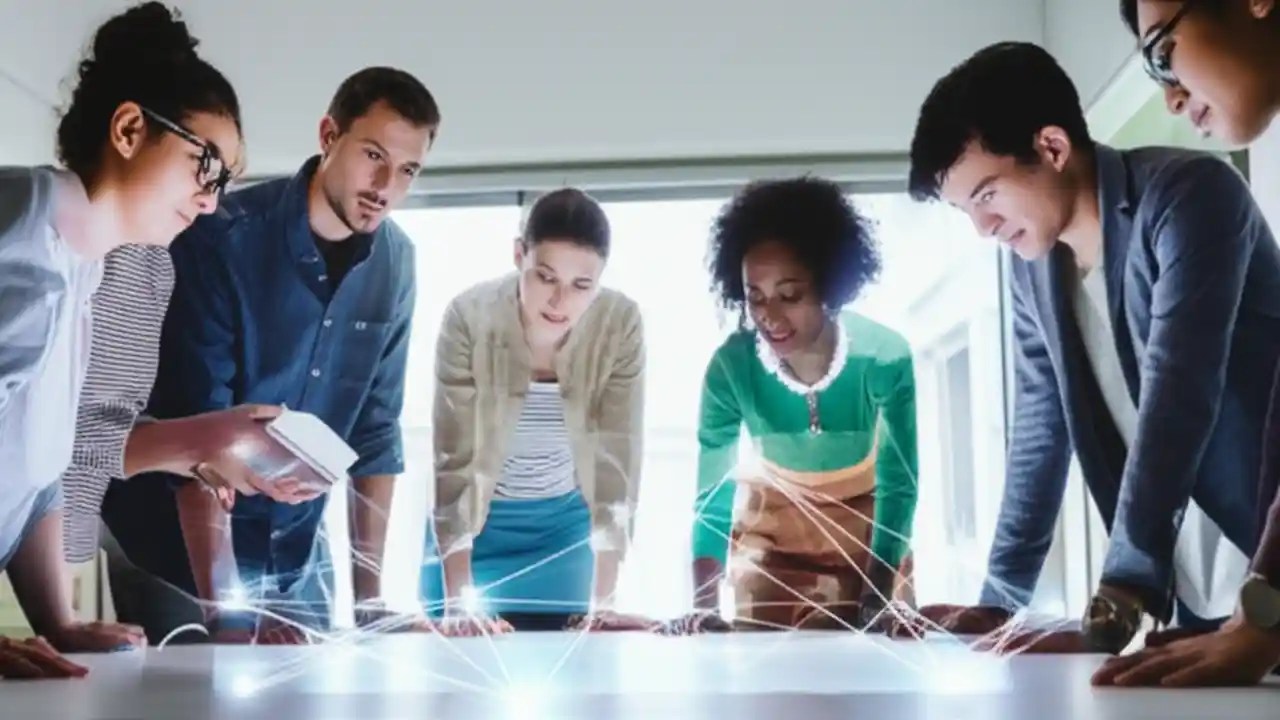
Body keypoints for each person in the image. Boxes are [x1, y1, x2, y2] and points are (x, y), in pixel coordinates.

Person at [896, 41, 1280, 657]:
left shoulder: (1190, 195)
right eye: (967, 210)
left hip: (1267, 560)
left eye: (988, 196)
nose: (983, 229)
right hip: (1196, 600)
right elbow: (1039, 434)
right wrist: (1000, 600)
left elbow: (1178, 391)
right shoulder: (1031, 271)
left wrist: (1123, 586)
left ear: (1051, 147)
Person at [100, 65, 441, 643]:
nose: (387, 185)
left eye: (407, 169)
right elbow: (195, 421)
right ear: (329, 135)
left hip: (297, 554)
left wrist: (372, 601)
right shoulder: (220, 238)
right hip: (177, 555)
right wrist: (225, 613)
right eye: (374, 155)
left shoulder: (396, 263)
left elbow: (376, 432)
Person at [0, 1, 245, 678]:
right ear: (130, 128)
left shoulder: (82, 268)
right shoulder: (22, 243)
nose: (211, 200)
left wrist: (59, 623)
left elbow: (36, 479)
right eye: (207, 166)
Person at [1092, 0, 1280, 687]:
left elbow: (1180, 393)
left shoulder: (1193, 195)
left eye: (1161, 52)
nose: (1171, 98)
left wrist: (1264, 617)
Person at [687, 177, 918, 631]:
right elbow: (712, 497)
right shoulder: (730, 369)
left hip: (873, 550)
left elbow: (899, 486)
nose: (770, 315)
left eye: (790, 295)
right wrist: (704, 608)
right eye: (755, 297)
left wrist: (877, 594)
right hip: (771, 551)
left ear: (829, 284)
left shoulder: (883, 357)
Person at [422, 188, 646, 635]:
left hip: (562, 538)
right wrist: (457, 602)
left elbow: (617, 465)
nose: (560, 302)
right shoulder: (469, 316)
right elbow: (453, 459)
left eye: (582, 285)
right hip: (472, 538)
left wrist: (603, 604)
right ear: (518, 254)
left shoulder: (620, 323)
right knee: (460, 681)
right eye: (545, 277)